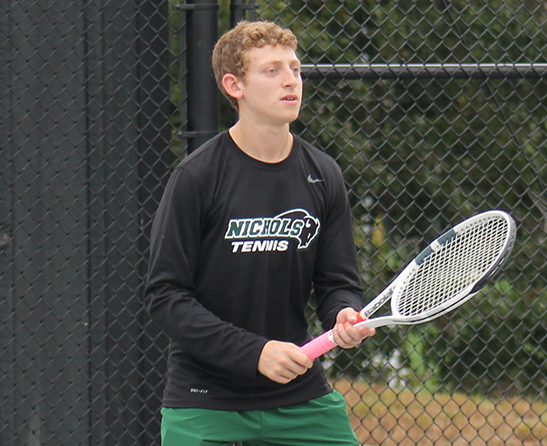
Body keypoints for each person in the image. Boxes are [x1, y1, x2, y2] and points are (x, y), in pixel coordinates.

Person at [144, 20, 375, 446]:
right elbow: (166, 296)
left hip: (300, 399)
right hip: (205, 401)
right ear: (235, 85)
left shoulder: (324, 174)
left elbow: (337, 283)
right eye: (272, 70)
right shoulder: (197, 177)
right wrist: (256, 353)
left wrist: (343, 312)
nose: (291, 80)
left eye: (295, 68)